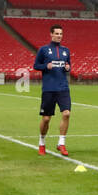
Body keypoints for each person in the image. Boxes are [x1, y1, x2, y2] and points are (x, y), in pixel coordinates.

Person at [33, 23, 72, 157]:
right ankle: (42, 143)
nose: (59, 36)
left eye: (61, 34)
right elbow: (36, 65)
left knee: (66, 114)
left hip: (63, 88)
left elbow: (68, 66)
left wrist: (67, 68)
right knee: (46, 119)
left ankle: (61, 143)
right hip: (49, 89)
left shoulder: (66, 51)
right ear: (51, 34)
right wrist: (46, 66)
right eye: (56, 33)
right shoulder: (43, 50)